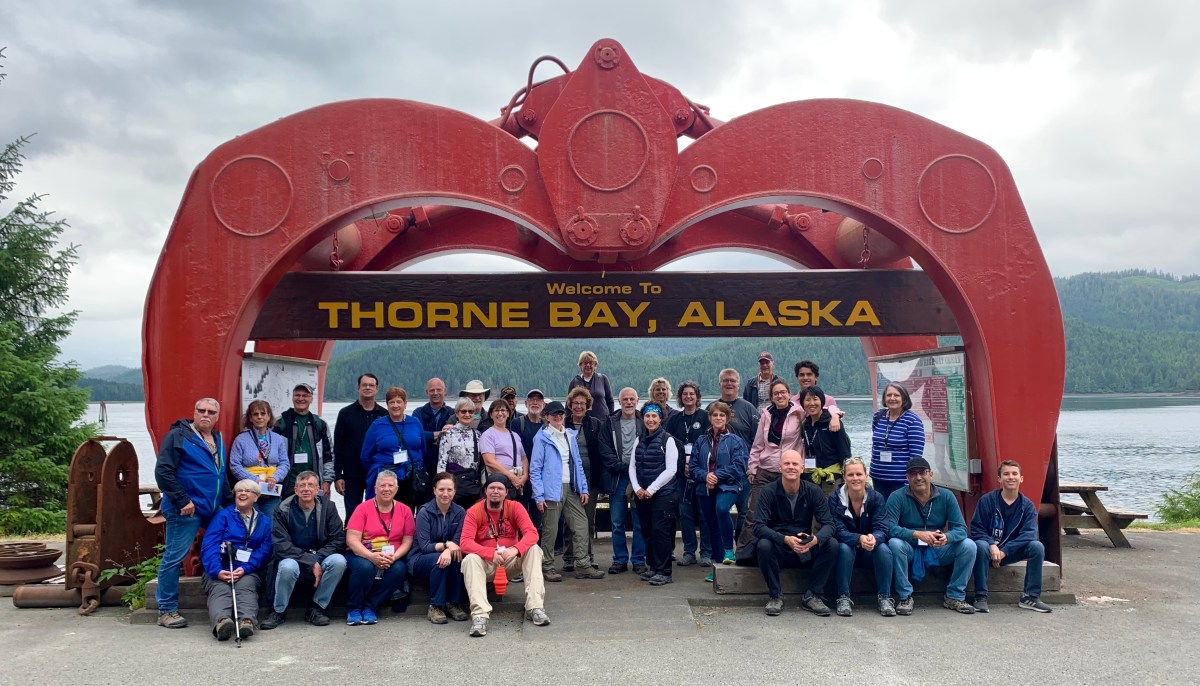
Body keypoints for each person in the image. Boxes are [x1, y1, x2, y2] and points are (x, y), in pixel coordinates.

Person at [154, 397, 229, 629]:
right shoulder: (178, 436)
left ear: (217, 416)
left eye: (211, 411)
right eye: (201, 410)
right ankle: (166, 609)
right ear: (194, 413)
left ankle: (220, 601)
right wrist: (182, 500)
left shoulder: (217, 438)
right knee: (175, 556)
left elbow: (221, 475)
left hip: (212, 507)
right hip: (187, 509)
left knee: (220, 549)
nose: (206, 414)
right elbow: (163, 472)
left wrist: (228, 504)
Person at [460, 474, 550, 637]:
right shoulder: (474, 511)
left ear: (506, 492)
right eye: (492, 488)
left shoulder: (514, 507)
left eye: (500, 488)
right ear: (485, 491)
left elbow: (532, 533)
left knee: (534, 549)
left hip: (510, 561)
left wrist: (515, 550)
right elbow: (465, 542)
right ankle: (480, 616)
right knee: (470, 559)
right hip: (487, 563)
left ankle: (535, 607)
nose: (495, 491)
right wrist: (490, 554)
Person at [886, 457, 977, 615]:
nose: (918, 477)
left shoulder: (947, 496)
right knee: (894, 543)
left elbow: (961, 529)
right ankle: (905, 596)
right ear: (907, 477)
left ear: (931, 474)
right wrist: (915, 534)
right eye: (913, 474)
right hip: (911, 548)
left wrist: (946, 538)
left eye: (922, 472)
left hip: (937, 548)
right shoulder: (897, 496)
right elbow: (888, 527)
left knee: (969, 546)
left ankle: (954, 596)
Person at [753, 450, 837, 617]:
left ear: (802, 468)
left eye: (795, 464)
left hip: (805, 545)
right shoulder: (768, 491)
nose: (791, 467)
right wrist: (784, 539)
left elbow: (829, 524)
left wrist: (815, 540)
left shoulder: (813, 491)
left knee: (832, 545)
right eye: (787, 464)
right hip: (779, 545)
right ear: (780, 468)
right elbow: (758, 526)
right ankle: (775, 596)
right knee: (763, 544)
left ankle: (812, 594)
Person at [260, 471, 347, 629]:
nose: (306, 489)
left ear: (318, 489)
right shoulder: (283, 509)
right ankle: (278, 611)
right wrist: (310, 562)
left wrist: (317, 558)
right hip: (293, 557)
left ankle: (317, 608)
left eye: (311, 485)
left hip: (320, 555)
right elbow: (281, 545)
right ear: (296, 490)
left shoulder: (328, 507)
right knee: (287, 567)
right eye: (302, 485)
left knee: (339, 561)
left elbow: (339, 538)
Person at [530, 401, 601, 581]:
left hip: (571, 488)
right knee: (550, 530)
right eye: (554, 414)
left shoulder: (570, 435)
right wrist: (539, 495)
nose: (558, 417)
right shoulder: (542, 438)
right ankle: (547, 566)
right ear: (546, 416)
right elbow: (535, 468)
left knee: (581, 524)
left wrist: (583, 488)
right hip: (551, 490)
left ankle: (583, 564)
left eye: (561, 413)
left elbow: (576, 463)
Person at [969, 460, 1051, 613]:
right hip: (987, 551)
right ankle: (980, 597)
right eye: (1006, 474)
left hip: (1010, 552)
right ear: (999, 479)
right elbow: (976, 528)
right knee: (980, 545)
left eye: (1014, 474)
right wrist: (991, 544)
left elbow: (1029, 534)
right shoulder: (987, 501)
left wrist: (1005, 551)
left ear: (1021, 479)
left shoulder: (1027, 506)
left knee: (1036, 546)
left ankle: (1030, 597)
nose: (1010, 477)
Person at [199, 479, 272, 640]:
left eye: (247, 491)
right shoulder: (223, 516)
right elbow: (209, 545)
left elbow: (264, 550)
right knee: (220, 588)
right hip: (221, 566)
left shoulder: (265, 521)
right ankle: (222, 621)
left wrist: (246, 568)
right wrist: (217, 571)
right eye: (239, 491)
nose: (243, 493)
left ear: (256, 497)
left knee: (246, 586)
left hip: (247, 568)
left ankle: (247, 621)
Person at [343, 469, 415, 626]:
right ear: (375, 488)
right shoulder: (363, 508)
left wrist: (395, 557)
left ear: (396, 489)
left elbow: (407, 540)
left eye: (390, 486)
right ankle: (354, 608)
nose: (386, 489)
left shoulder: (405, 510)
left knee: (398, 569)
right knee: (365, 568)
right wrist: (371, 556)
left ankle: (370, 607)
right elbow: (352, 540)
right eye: (382, 485)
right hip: (362, 554)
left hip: (391, 555)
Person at [739, 379, 804, 551]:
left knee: (787, 514)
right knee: (754, 512)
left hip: (789, 471)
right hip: (766, 468)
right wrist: (752, 467)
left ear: (789, 394)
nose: (780, 395)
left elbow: (822, 409)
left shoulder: (799, 413)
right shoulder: (766, 415)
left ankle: (791, 550)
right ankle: (746, 552)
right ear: (771, 397)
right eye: (776, 393)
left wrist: (836, 413)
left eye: (783, 392)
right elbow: (758, 443)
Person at [829, 457, 893, 617]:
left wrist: (874, 538)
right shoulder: (834, 499)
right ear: (844, 477)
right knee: (844, 547)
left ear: (866, 475)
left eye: (859, 474)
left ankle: (884, 597)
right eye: (851, 475)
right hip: (847, 550)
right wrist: (859, 539)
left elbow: (882, 528)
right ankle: (843, 597)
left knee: (884, 549)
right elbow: (837, 530)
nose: (855, 478)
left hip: (869, 550)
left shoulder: (876, 498)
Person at [688, 401, 747, 576]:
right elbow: (693, 467)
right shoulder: (700, 440)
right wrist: (706, 476)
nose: (718, 418)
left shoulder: (735, 440)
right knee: (711, 525)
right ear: (710, 417)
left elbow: (739, 466)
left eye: (722, 415)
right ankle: (719, 567)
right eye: (715, 415)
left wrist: (717, 475)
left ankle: (729, 548)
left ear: (727, 418)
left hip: (728, 486)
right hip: (705, 487)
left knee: (721, 509)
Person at [563, 387, 616, 574]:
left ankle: (587, 557)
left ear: (588, 406)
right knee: (569, 520)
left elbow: (602, 452)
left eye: (582, 404)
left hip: (590, 478)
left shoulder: (595, 424)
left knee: (588, 519)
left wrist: (601, 481)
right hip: (568, 479)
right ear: (570, 405)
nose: (578, 407)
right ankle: (569, 557)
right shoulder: (562, 424)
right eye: (575, 403)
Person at [629, 403, 680, 586]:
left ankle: (665, 571)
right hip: (642, 494)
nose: (650, 420)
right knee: (647, 531)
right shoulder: (639, 440)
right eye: (647, 416)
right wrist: (637, 489)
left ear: (660, 419)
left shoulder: (668, 440)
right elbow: (632, 466)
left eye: (654, 416)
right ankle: (653, 567)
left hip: (663, 495)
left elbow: (671, 470)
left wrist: (651, 489)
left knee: (661, 532)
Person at [411, 472, 470, 624]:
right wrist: (445, 546)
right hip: (420, 558)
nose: (445, 494)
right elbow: (424, 546)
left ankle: (453, 603)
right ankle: (436, 606)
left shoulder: (460, 512)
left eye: (449, 490)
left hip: (447, 553)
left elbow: (457, 542)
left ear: (455, 491)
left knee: (457, 557)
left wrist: (448, 549)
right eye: (441, 489)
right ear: (434, 490)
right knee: (441, 560)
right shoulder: (424, 512)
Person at [665, 380, 712, 566]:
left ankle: (706, 552)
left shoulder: (706, 417)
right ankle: (689, 551)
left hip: (701, 473)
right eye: (685, 394)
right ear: (680, 397)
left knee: (704, 512)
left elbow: (710, 445)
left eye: (692, 394)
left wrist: (695, 467)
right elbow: (668, 446)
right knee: (685, 513)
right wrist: (681, 467)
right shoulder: (674, 420)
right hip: (681, 474)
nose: (688, 397)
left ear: (697, 397)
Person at [711, 368, 761, 544]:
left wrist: (754, 468)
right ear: (720, 384)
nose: (729, 383)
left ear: (738, 384)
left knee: (745, 513)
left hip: (743, 473)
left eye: (732, 380)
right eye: (725, 380)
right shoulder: (712, 408)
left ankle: (741, 546)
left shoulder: (748, 408)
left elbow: (758, 440)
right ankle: (722, 550)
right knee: (718, 510)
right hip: (717, 473)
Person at [604, 387, 648, 574]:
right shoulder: (610, 423)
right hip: (618, 477)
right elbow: (605, 451)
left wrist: (637, 469)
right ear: (619, 401)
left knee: (640, 522)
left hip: (640, 478)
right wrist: (624, 467)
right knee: (617, 522)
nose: (629, 402)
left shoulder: (645, 422)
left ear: (637, 401)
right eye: (625, 399)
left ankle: (639, 559)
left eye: (632, 399)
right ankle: (619, 559)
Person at [360, 387, 426, 507]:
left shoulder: (415, 422)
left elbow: (423, 449)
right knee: (384, 510)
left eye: (399, 402)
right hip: (386, 476)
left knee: (408, 512)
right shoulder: (377, 425)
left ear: (405, 404)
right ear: (387, 405)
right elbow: (365, 456)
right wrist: (383, 467)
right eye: (392, 402)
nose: (395, 405)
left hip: (411, 477)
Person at [335, 374, 388, 517]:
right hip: (352, 473)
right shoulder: (345, 413)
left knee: (377, 513)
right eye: (364, 385)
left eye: (371, 385)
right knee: (353, 514)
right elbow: (338, 446)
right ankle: (350, 540)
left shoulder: (385, 415)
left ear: (377, 389)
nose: (368, 388)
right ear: (358, 388)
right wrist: (338, 475)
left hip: (377, 471)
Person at [229, 399, 289, 519]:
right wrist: (255, 480)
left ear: (269, 417)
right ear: (250, 418)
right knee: (250, 522)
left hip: (271, 491)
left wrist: (275, 477)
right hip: (248, 490)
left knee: (269, 524)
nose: (259, 417)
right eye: (255, 414)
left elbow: (284, 463)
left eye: (263, 413)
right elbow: (234, 465)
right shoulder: (240, 440)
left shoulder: (278, 439)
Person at [274, 384, 334, 497]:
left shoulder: (320, 424)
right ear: (292, 398)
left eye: (305, 395)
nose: (301, 399)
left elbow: (328, 455)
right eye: (297, 395)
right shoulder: (280, 422)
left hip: (314, 485)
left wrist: (327, 480)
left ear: (311, 399)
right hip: (287, 484)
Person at [871, 382, 925, 500]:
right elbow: (876, 445)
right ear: (884, 398)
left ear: (904, 398)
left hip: (900, 481)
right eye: (889, 395)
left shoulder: (912, 421)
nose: (892, 398)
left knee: (898, 516)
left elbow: (915, 457)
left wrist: (909, 482)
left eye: (896, 395)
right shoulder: (878, 417)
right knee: (881, 515)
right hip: (878, 478)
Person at [797, 386, 851, 495]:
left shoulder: (833, 423)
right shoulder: (805, 425)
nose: (811, 403)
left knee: (831, 510)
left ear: (822, 401)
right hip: (812, 477)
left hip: (832, 479)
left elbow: (844, 452)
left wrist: (847, 476)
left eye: (815, 399)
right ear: (803, 404)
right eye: (807, 400)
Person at [437, 397, 484, 509]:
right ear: (457, 414)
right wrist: (441, 485)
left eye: (470, 411)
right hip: (454, 484)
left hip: (472, 486)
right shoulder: (448, 433)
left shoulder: (478, 435)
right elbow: (442, 462)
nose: (467, 414)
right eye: (463, 411)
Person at [480, 398, 529, 502]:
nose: (500, 413)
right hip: (498, 483)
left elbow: (523, 458)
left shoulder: (514, 435)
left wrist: (524, 476)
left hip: (517, 484)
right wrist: (511, 476)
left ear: (508, 414)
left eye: (503, 410)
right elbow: (489, 461)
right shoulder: (488, 435)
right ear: (491, 415)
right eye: (496, 411)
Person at [413, 377, 455, 492]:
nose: (435, 393)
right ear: (427, 393)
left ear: (444, 391)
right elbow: (417, 437)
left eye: (438, 389)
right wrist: (441, 434)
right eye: (432, 390)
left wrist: (429, 437)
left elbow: (454, 438)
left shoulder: (453, 413)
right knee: (423, 504)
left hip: (447, 467)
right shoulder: (418, 413)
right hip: (423, 466)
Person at [792, 360, 843, 432]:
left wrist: (835, 416)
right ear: (797, 377)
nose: (805, 378)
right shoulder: (791, 402)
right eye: (802, 375)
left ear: (816, 377)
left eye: (809, 374)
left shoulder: (828, 400)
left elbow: (836, 423)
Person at [568, 351, 614, 423]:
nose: (588, 365)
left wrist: (611, 419)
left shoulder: (602, 379)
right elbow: (569, 404)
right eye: (585, 363)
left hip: (602, 421)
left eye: (591, 363)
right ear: (580, 365)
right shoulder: (575, 381)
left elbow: (610, 401)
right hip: (582, 422)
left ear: (595, 365)